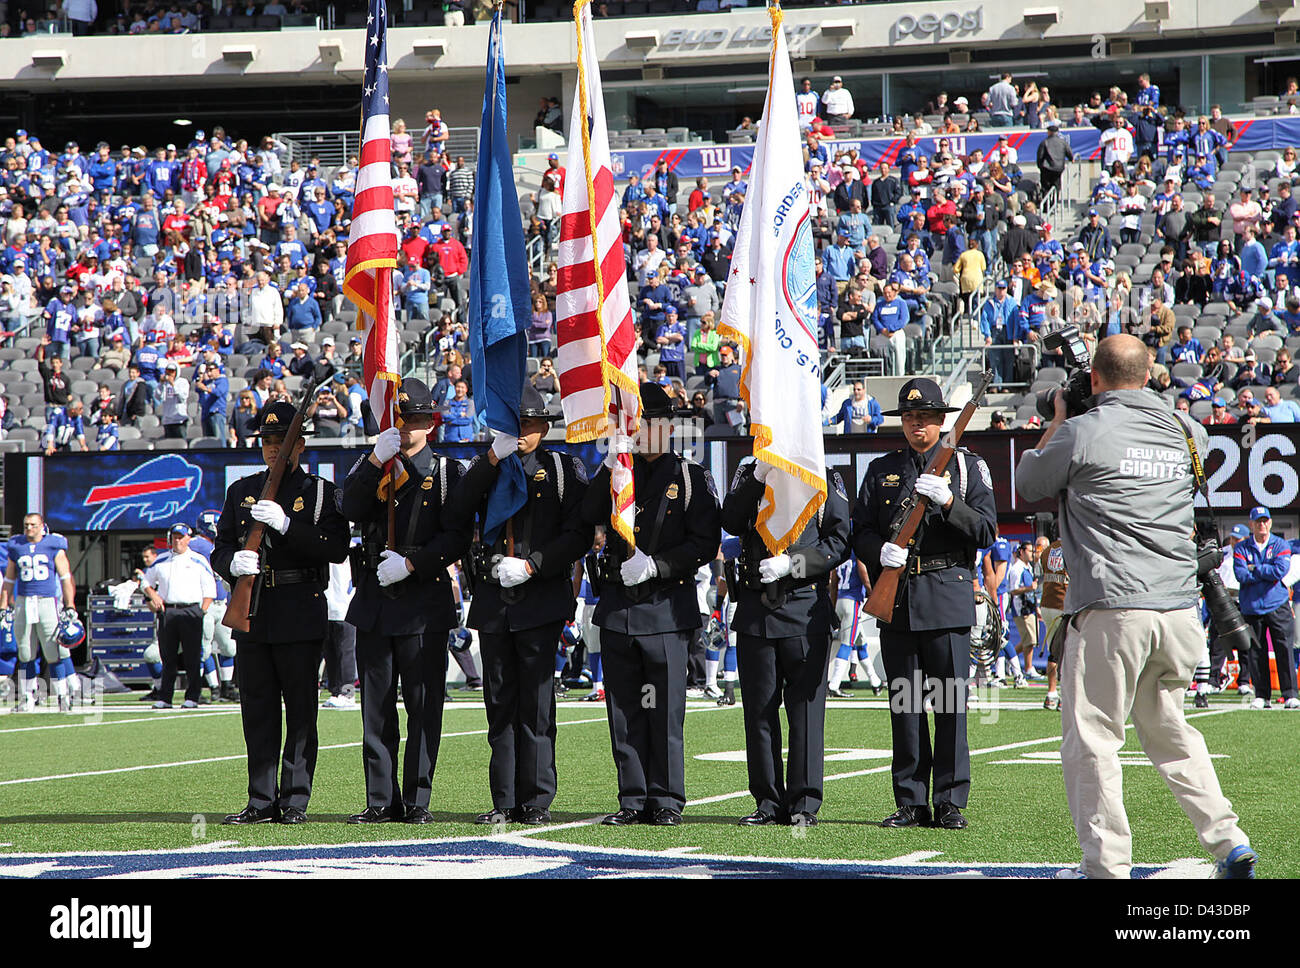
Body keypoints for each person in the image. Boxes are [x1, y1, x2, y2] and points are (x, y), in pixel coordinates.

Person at [1015, 333, 1257, 879]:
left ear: (1093, 380)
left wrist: (1060, 415)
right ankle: (1228, 840)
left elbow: (1028, 482)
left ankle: (1105, 867)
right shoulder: (1186, 428)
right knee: (1171, 731)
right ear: (1148, 377)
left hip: (1112, 606)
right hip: (1177, 610)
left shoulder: (1080, 430)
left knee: (1094, 739)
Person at [851, 378, 998, 830]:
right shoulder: (881, 469)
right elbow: (860, 530)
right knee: (906, 704)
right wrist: (879, 552)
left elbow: (987, 531)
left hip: (946, 590)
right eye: (910, 417)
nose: (918, 423)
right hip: (898, 598)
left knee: (950, 704)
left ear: (942, 420)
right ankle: (911, 800)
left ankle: (950, 801)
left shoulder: (970, 468)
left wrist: (950, 501)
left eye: (927, 417)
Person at [447, 384, 592, 825]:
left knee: (536, 704)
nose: (522, 433)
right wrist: (493, 458)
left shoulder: (564, 469)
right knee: (499, 704)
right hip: (494, 600)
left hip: (539, 597)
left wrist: (534, 565)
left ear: (545, 427)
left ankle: (537, 798)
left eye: (529, 425)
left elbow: (579, 534)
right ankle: (504, 799)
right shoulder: (486, 466)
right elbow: (454, 511)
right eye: (515, 424)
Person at [581, 383, 721, 826]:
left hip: (665, 607)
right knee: (623, 712)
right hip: (620, 608)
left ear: (668, 426)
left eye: (650, 423)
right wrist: (608, 467)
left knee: (662, 711)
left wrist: (657, 565)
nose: (642, 432)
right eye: (634, 424)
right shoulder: (619, 473)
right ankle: (632, 798)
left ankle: (665, 800)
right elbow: (585, 515)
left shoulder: (690, 477)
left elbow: (705, 542)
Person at [212, 401, 350, 825]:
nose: (273, 449)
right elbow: (220, 548)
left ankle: (294, 799)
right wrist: (230, 564)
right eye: (268, 441)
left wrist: (290, 527)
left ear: (300, 445)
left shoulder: (321, 492)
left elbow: (336, 548)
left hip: (299, 608)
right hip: (254, 612)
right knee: (258, 711)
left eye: (281, 441)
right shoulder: (242, 491)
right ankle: (260, 800)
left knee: (302, 711)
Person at [342, 379, 472, 824]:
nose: (408, 429)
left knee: (422, 706)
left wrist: (414, 563)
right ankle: (380, 800)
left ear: (430, 425)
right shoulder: (373, 464)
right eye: (401, 421)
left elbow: (456, 536)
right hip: (376, 601)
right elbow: (350, 509)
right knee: (376, 709)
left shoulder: (451, 473)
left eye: (416, 421)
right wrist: (377, 457)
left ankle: (417, 800)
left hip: (422, 601)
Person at [720, 458, 850, 825]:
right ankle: (767, 801)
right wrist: (758, 477)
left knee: (805, 713)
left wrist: (792, 564)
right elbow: (730, 520)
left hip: (803, 606)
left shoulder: (820, 471)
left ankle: (804, 804)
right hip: (754, 606)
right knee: (759, 711)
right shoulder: (749, 469)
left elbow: (838, 542)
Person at [0, 514, 78, 712]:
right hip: (23, 603)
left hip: (46, 602)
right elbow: (9, 580)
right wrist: (3, 607)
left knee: (53, 651)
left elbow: (66, 577)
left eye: (33, 525)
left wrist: (69, 605)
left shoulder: (54, 544)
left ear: (42, 527)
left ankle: (63, 696)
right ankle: (28, 698)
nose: (29, 529)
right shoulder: (16, 546)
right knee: (25, 652)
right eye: (26, 525)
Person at [139, 524, 216, 710]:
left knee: (192, 658)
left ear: (189, 539)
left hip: (191, 611)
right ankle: (165, 697)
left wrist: (201, 611)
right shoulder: (162, 560)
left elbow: (210, 589)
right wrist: (154, 596)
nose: (177, 540)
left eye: (181, 537)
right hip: (169, 611)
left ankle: (192, 697)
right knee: (168, 657)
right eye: (174, 537)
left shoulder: (198, 560)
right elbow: (145, 582)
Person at [1233, 506, 1298, 710]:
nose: (1262, 524)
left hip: (1277, 604)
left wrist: (1255, 569)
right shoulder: (1241, 548)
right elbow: (1241, 575)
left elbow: (1280, 570)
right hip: (1252, 606)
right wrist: (1264, 572)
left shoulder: (1280, 544)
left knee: (1284, 649)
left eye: (1265, 520)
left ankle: (1290, 694)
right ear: (1251, 524)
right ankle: (1262, 695)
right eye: (1258, 521)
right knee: (1256, 652)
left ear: (1270, 522)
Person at [191, 510, 239, 703]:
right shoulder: (196, 544)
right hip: (206, 603)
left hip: (222, 604)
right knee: (205, 647)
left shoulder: (210, 544)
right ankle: (213, 687)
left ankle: (226, 685)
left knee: (228, 647)